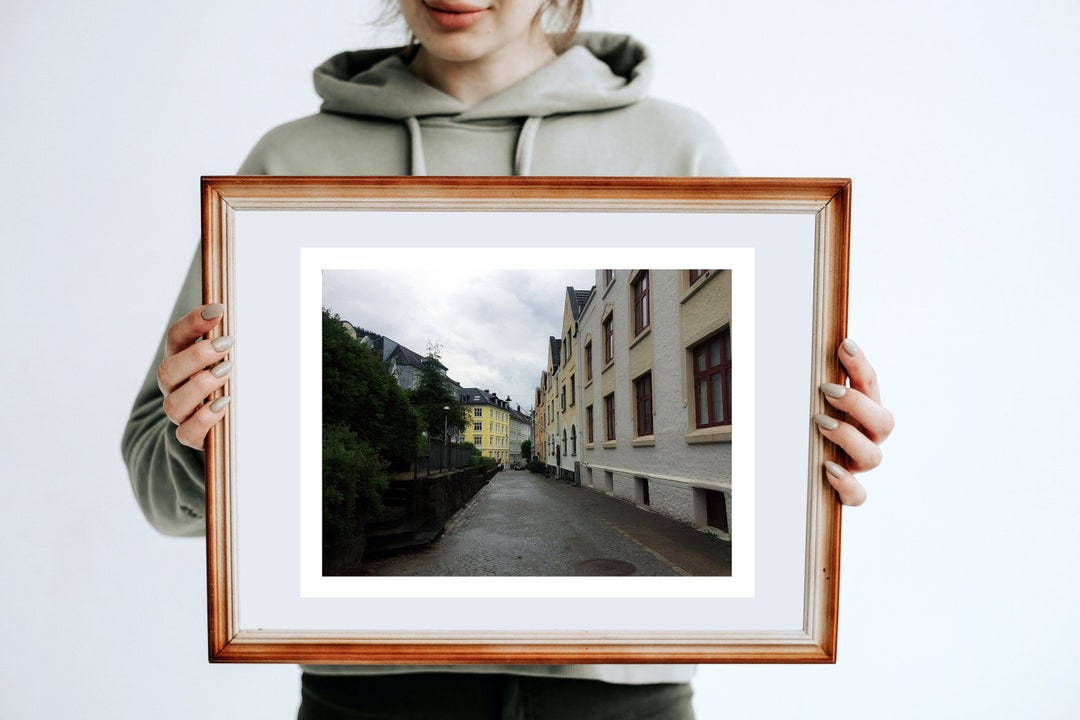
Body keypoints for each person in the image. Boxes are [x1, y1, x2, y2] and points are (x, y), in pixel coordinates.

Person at [123, 1, 894, 717]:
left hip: (618, 700)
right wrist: (205, 445)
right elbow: (158, 478)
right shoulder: (289, 163)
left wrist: (815, 465)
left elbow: (773, 418)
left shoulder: (673, 149)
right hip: (370, 699)